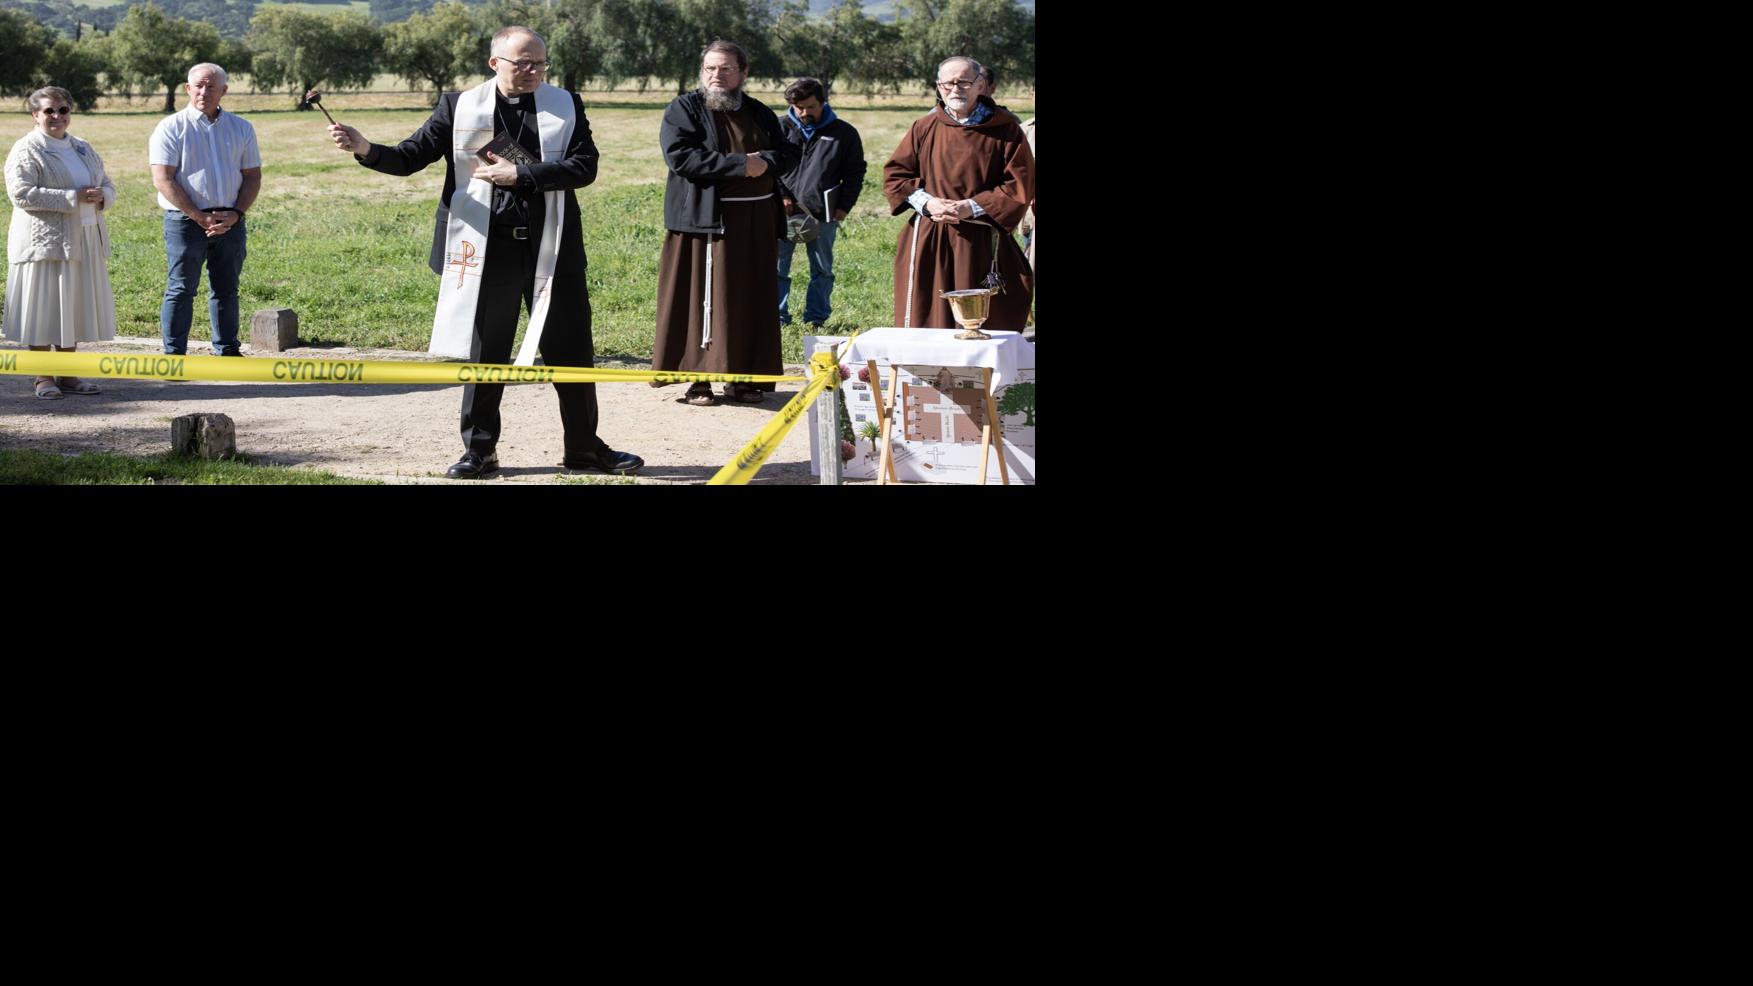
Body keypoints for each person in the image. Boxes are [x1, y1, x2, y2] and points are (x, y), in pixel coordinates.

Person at [327, 26, 642, 479]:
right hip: (486, 249)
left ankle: (584, 449)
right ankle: (480, 450)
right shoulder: (459, 106)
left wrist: (524, 176)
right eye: (522, 63)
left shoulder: (566, 104)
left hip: (552, 248)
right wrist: (364, 148)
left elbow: (584, 166)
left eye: (539, 63)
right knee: (486, 354)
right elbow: (410, 156)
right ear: (496, 63)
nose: (533, 71)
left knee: (571, 351)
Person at [652, 40, 799, 406]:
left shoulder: (760, 112)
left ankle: (744, 377)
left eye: (726, 69)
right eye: (710, 69)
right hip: (704, 222)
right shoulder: (683, 109)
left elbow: (786, 153)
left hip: (756, 221)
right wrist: (740, 166)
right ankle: (697, 380)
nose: (716, 75)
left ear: (743, 73)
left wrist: (765, 160)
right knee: (702, 299)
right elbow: (681, 157)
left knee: (750, 299)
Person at [882, 56, 1034, 332]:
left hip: (980, 239)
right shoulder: (924, 127)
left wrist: (971, 207)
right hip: (930, 237)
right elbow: (897, 175)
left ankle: (980, 374)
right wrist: (928, 203)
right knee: (928, 313)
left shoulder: (1007, 130)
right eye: (948, 83)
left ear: (980, 85)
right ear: (939, 87)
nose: (955, 89)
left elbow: (1019, 184)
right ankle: (929, 372)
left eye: (963, 82)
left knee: (982, 320)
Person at [5, 85, 117, 399]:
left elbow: (106, 183)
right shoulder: (26, 149)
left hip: (83, 238)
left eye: (63, 110)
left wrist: (101, 196)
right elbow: (21, 194)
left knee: (71, 305)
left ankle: (68, 373)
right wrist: (72, 197)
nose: (56, 116)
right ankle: (43, 376)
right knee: (44, 307)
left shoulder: (82, 147)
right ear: (35, 115)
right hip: (44, 242)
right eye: (49, 111)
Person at [149, 62, 260, 357]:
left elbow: (252, 176)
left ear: (223, 90)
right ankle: (173, 356)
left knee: (226, 289)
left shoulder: (242, 128)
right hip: (185, 220)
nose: (204, 92)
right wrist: (198, 216)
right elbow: (163, 178)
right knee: (181, 289)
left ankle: (226, 350)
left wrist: (236, 214)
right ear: (188, 89)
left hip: (230, 219)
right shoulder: (170, 128)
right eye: (198, 85)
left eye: (212, 86)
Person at [774, 76, 865, 332]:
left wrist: (844, 207)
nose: (804, 113)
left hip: (823, 214)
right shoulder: (778, 129)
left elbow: (855, 172)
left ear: (823, 102)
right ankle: (777, 317)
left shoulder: (843, 133)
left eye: (810, 107)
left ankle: (816, 319)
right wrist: (780, 195)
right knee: (778, 267)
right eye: (798, 107)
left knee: (822, 269)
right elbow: (768, 166)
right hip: (782, 212)